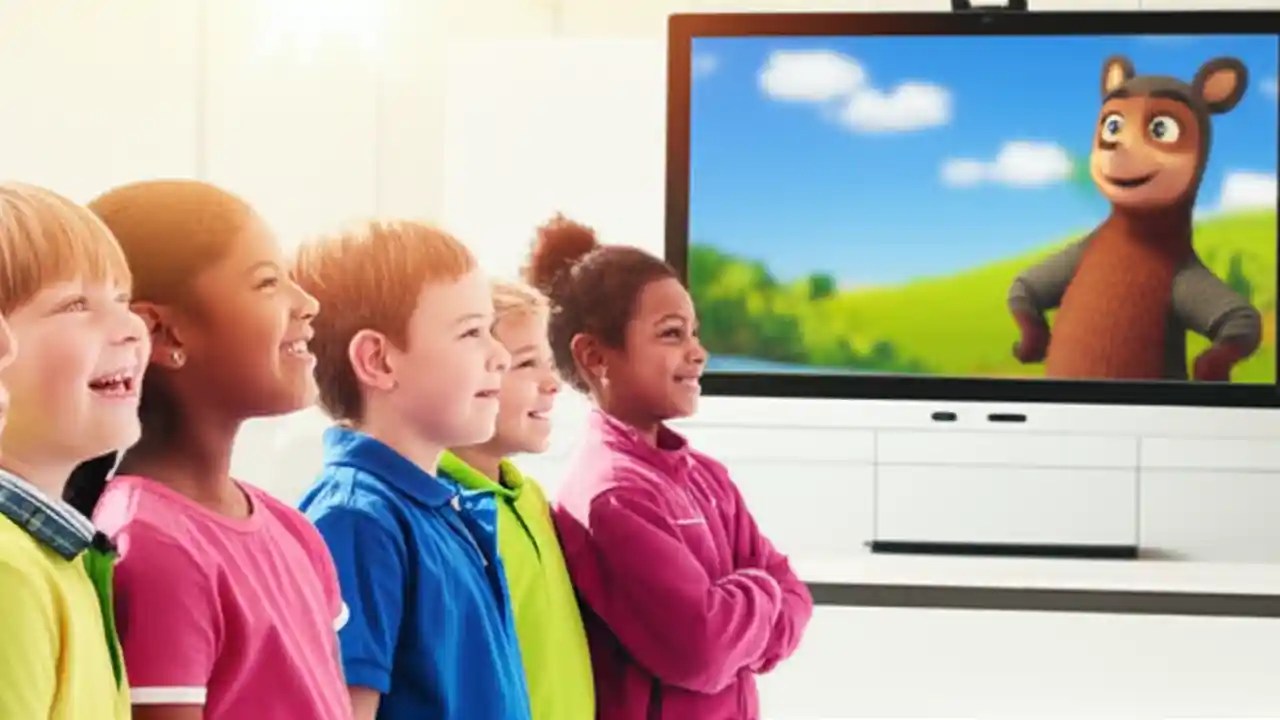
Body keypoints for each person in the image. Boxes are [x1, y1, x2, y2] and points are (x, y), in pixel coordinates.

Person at [524, 214, 814, 719]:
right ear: (595, 356)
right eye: (672, 334)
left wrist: (739, 605)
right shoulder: (613, 497)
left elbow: (798, 600)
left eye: (694, 333)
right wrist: (763, 590)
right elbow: (703, 650)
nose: (698, 353)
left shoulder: (707, 477)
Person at [84, 180, 351, 720]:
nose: (307, 303)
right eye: (268, 282)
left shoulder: (292, 531)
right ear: (161, 334)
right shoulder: (149, 546)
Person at [294, 219, 531, 720]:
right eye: (471, 332)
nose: (500, 356)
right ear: (378, 360)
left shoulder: (440, 508)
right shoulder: (356, 522)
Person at [0, 181, 142, 719]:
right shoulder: (8, 572)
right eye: (75, 304)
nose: (132, 327)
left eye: (122, 299)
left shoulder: (60, 559)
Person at [439, 278, 594, 720]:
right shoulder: (444, 513)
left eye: (550, 363)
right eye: (526, 363)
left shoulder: (532, 499)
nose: (553, 382)